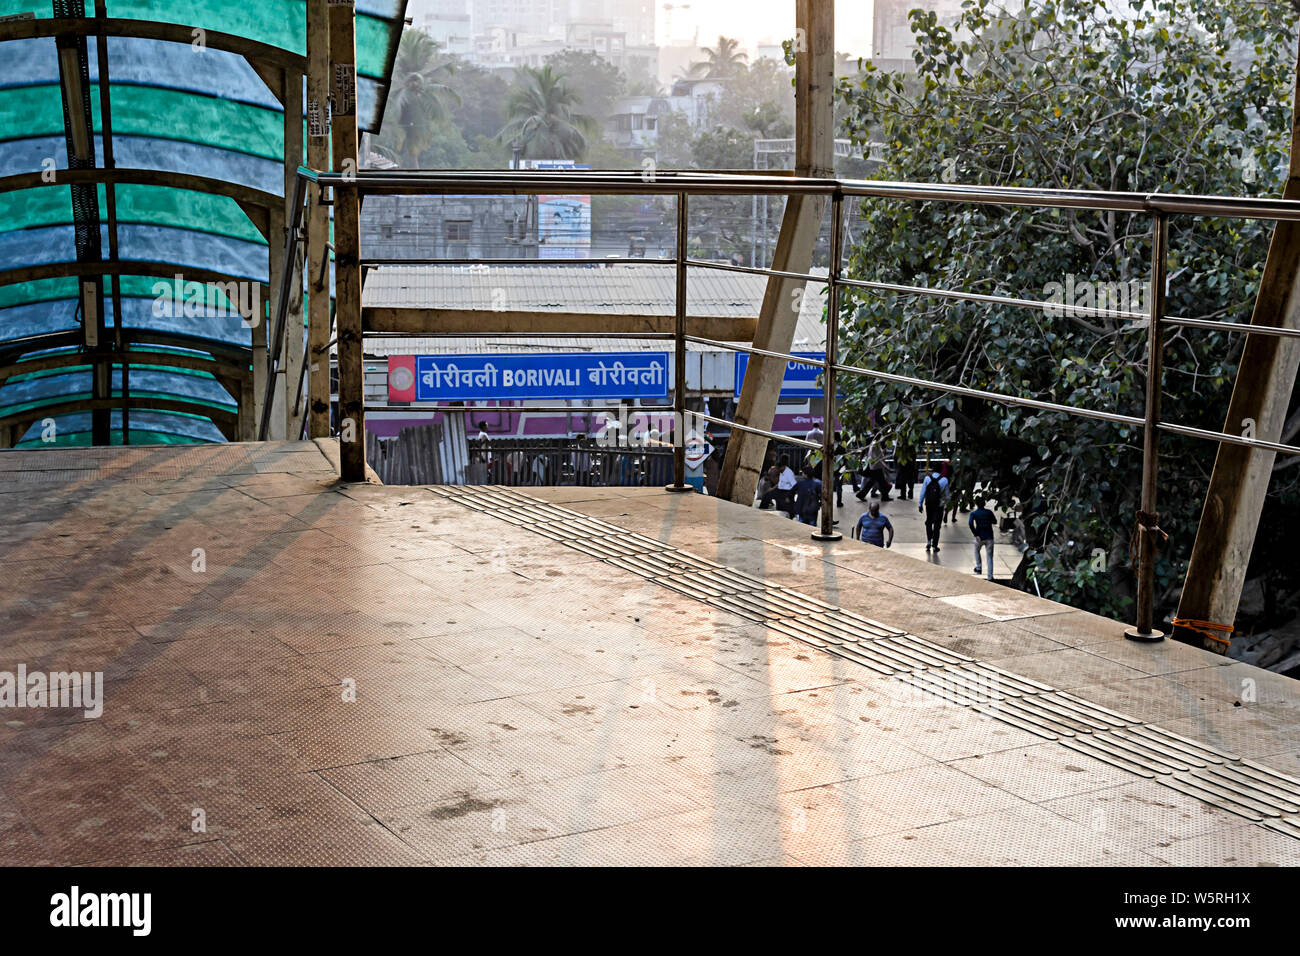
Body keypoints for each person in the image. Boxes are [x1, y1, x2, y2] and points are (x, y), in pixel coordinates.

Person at [918, 467, 949, 552]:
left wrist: (920, 504)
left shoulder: (927, 478)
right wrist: (946, 507)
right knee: (937, 525)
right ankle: (935, 546)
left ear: (932, 470)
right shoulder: (945, 480)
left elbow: (923, 492)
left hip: (929, 504)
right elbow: (947, 496)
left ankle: (928, 542)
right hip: (939, 505)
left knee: (929, 522)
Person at [969, 498, 997, 580]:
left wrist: (975, 534)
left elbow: (970, 523)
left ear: (976, 504)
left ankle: (978, 567)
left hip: (979, 537)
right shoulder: (989, 512)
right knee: (989, 557)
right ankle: (990, 576)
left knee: (976, 550)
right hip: (989, 537)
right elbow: (995, 521)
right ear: (984, 504)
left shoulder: (974, 513)